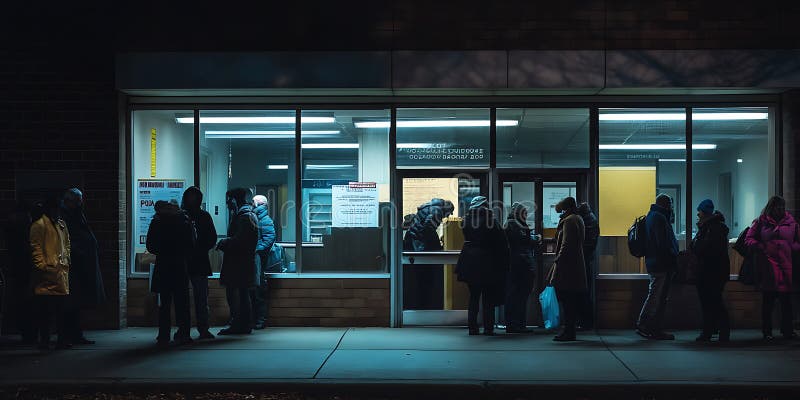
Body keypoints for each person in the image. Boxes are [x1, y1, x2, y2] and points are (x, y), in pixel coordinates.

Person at [745, 195, 800, 340]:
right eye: (778, 207)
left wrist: (791, 247)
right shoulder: (761, 222)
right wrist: (760, 246)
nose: (780, 209)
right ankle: (767, 331)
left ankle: (787, 330)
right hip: (768, 266)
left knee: (786, 301)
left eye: (782, 206)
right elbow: (749, 238)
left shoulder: (791, 223)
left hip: (786, 266)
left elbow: (797, 240)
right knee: (768, 301)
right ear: (771, 207)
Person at [456, 196, 509, 335]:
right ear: (485, 206)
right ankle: (488, 328)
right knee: (488, 298)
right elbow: (502, 242)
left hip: (469, 261)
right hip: (487, 263)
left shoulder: (465, 220)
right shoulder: (491, 221)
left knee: (473, 297)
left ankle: (472, 327)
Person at [146, 200, 195, 347]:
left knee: (164, 303)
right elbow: (192, 244)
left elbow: (151, 246)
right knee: (182, 302)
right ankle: (184, 333)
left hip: (163, 265)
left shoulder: (157, 222)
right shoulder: (184, 221)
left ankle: (163, 335)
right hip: (180, 265)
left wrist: (163, 250)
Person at [60, 188, 106, 345]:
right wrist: (79, 252)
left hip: (80, 264)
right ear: (69, 201)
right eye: (77, 201)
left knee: (76, 303)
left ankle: (75, 334)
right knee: (70, 303)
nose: (80, 203)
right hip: (72, 265)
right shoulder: (65, 216)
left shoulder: (75, 214)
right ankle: (68, 336)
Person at [29, 194, 71, 350]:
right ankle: (45, 340)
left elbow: (67, 244)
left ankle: (60, 339)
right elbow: (36, 248)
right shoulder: (39, 225)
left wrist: (66, 261)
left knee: (61, 310)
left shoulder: (61, 224)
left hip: (59, 272)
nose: (58, 212)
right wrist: (43, 267)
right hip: (48, 274)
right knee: (45, 311)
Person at [636, 194, 679, 340]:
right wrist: (673, 258)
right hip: (661, 264)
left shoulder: (651, 216)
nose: (671, 207)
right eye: (670, 204)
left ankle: (647, 325)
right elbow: (663, 243)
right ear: (666, 204)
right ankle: (648, 326)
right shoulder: (659, 218)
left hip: (654, 262)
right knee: (657, 296)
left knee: (655, 294)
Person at [217, 188, 258, 335]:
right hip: (243, 263)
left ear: (235, 200)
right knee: (242, 294)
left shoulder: (243, 217)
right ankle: (243, 324)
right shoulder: (248, 215)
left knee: (236, 295)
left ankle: (238, 324)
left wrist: (224, 242)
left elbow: (240, 240)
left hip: (238, 264)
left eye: (229, 200)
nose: (227, 204)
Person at [402, 198, 455, 310]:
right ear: (447, 209)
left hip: (413, 241)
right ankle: (425, 305)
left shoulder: (430, 207)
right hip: (419, 244)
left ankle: (420, 304)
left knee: (419, 279)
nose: (447, 216)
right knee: (425, 278)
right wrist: (436, 244)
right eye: (449, 213)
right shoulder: (437, 211)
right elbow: (428, 228)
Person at [690, 199, 731, 342]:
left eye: (700, 211)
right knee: (714, 301)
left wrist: (695, 246)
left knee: (711, 301)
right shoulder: (715, 227)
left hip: (709, 271)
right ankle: (715, 329)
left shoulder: (710, 228)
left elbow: (701, 248)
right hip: (716, 271)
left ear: (705, 213)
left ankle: (713, 330)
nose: (698, 214)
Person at [181, 186, 218, 340]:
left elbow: (212, 238)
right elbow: (212, 238)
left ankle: (186, 331)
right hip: (197, 261)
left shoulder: (181, 216)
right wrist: (201, 249)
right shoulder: (203, 216)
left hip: (185, 261)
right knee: (199, 298)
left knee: (188, 298)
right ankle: (201, 329)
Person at [548, 197, 586, 342]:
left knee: (566, 299)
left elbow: (566, 244)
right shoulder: (578, 219)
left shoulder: (569, 221)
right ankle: (569, 330)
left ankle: (568, 331)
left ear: (566, 208)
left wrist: (558, 260)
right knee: (570, 299)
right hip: (574, 265)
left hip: (567, 267)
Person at [3, 200, 36, 344]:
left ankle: (27, 334)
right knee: (27, 303)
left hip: (18, 270)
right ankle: (29, 334)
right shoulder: (24, 230)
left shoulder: (12, 229)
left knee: (22, 303)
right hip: (23, 269)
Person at [503, 202, 539, 333]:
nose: (526, 215)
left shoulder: (513, 224)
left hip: (518, 264)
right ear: (518, 213)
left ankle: (517, 324)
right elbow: (522, 241)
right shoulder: (513, 225)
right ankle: (515, 324)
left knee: (518, 295)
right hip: (519, 264)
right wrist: (535, 239)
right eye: (524, 213)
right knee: (517, 295)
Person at [251, 194, 276, 330]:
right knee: (256, 290)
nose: (251, 204)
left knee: (258, 290)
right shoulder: (260, 218)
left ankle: (259, 319)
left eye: (253, 202)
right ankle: (257, 319)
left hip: (258, 260)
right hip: (257, 259)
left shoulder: (263, 219)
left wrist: (255, 250)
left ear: (259, 204)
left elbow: (269, 238)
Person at [577, 202, 599, 330]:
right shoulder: (591, 219)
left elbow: (585, 243)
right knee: (585, 292)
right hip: (587, 260)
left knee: (583, 292)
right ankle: (586, 322)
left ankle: (585, 322)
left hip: (584, 260)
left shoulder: (586, 221)